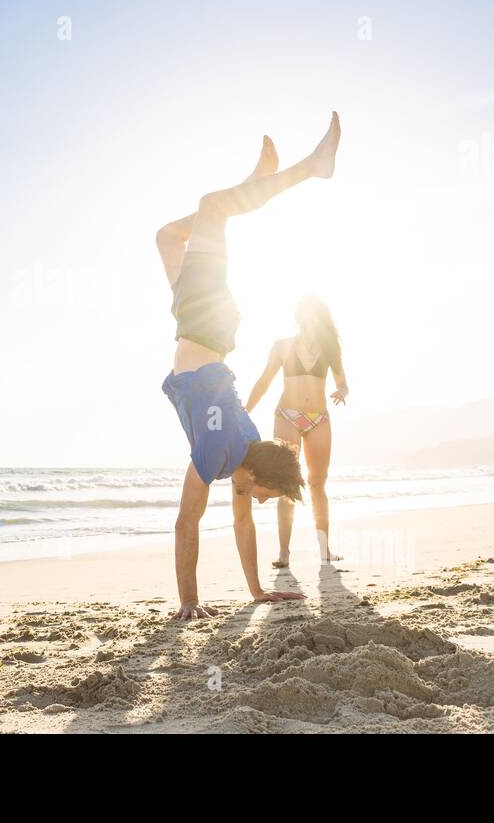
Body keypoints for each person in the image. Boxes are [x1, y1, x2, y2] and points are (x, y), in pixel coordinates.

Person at [157, 114, 341, 619]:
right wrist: (190, 603)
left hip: (197, 327)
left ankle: (258, 181)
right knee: (213, 209)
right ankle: (308, 169)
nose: (260, 502)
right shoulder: (223, 446)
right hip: (205, 327)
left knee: (167, 239)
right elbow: (185, 522)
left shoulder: (237, 458)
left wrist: (257, 591)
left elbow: (239, 525)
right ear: (256, 472)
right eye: (268, 495)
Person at [246, 296, 349, 565]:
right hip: (287, 416)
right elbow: (265, 380)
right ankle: (284, 553)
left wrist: (341, 391)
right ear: (300, 317)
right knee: (286, 482)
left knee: (317, 483)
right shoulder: (282, 346)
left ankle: (325, 550)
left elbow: (343, 382)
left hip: (319, 419)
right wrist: (245, 410)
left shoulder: (329, 350)